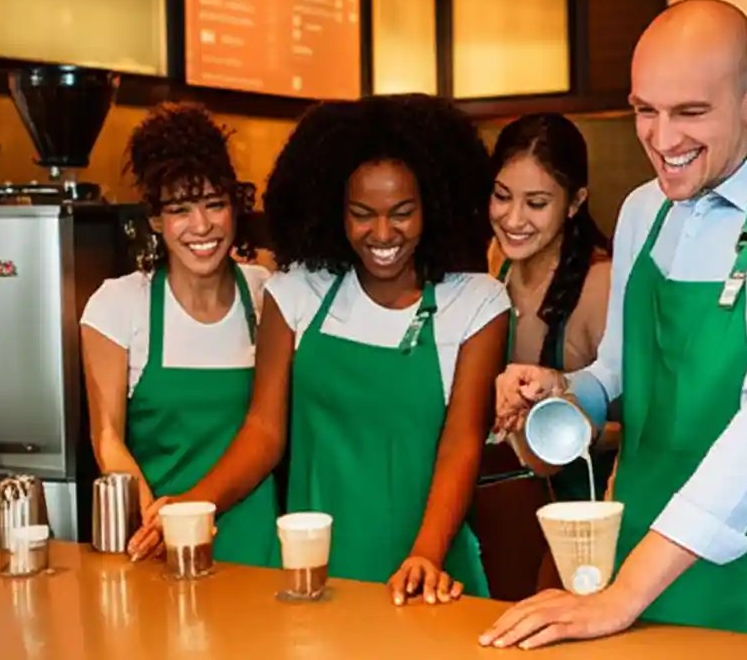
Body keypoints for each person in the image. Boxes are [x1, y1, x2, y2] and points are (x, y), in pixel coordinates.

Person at [480, 0, 747, 649]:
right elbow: (619, 371)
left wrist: (623, 595)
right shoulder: (645, 211)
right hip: (632, 566)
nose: (662, 141)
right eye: (645, 111)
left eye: (691, 113)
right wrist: (558, 391)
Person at [148, 93, 509, 606]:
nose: (382, 233)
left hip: (431, 579)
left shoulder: (475, 302)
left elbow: (461, 444)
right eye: (362, 214)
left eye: (402, 213)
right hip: (313, 576)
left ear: (434, 206)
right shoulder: (297, 291)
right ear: (334, 212)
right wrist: (189, 507)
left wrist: (425, 556)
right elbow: (264, 431)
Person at [79, 102, 278, 567]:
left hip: (257, 552)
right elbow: (107, 438)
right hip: (160, 546)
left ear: (236, 206)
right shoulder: (117, 305)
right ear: (155, 220)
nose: (202, 226)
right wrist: (157, 524)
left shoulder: (266, 294)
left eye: (214, 204)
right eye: (180, 210)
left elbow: (272, 431)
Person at [486, 112, 617, 502]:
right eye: (502, 196)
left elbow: (641, 429)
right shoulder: (496, 261)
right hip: (511, 512)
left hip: (584, 511)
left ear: (575, 202)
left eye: (536, 203)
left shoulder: (600, 285)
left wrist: (552, 423)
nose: (513, 219)